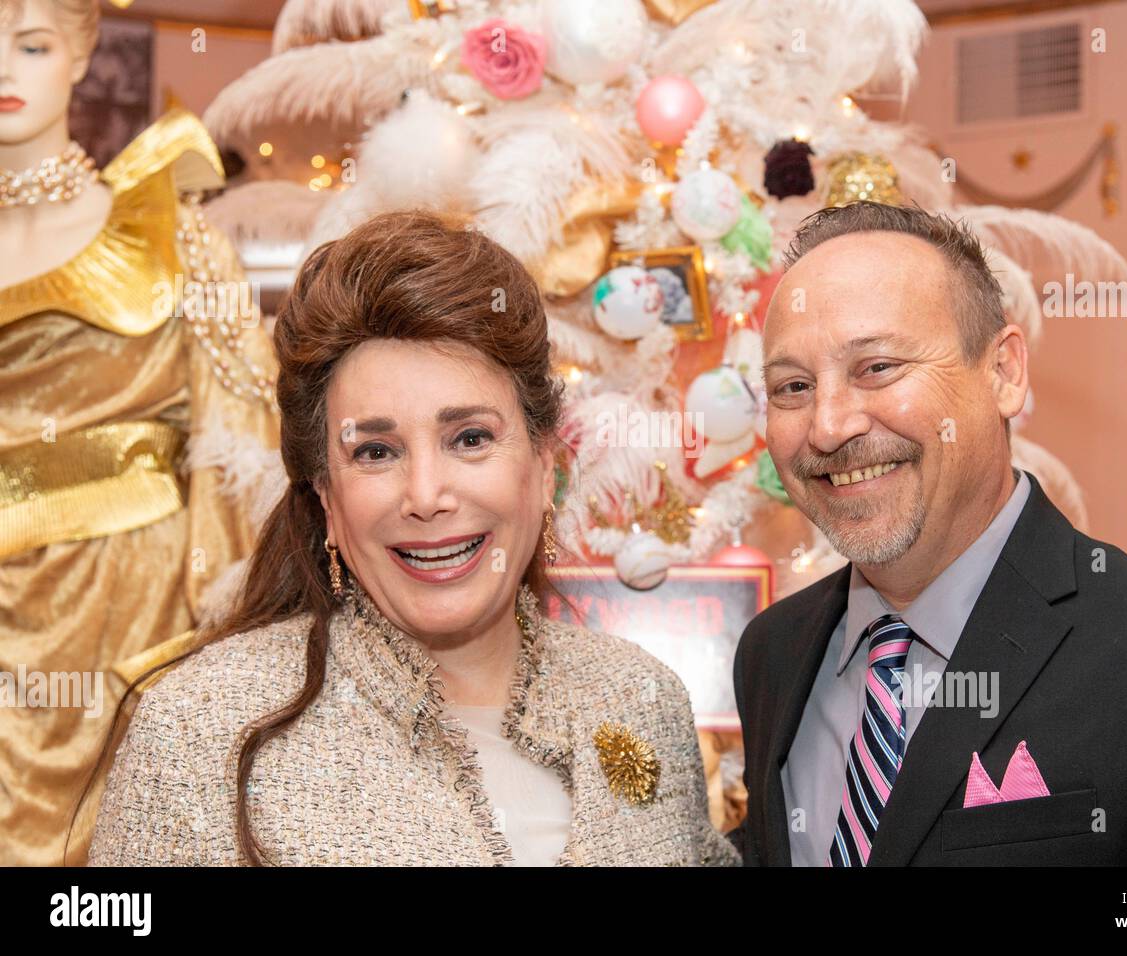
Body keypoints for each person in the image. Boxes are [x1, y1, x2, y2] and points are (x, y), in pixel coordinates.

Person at [87, 210, 738, 867]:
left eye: (471, 439)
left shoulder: (642, 698)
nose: (426, 495)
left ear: (545, 470)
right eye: (375, 451)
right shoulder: (200, 729)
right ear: (328, 501)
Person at [733, 200, 1127, 866]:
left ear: (1003, 372)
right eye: (793, 386)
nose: (827, 426)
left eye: (877, 367)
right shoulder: (773, 654)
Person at [0, 0, 278, 865]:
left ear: (83, 52)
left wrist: (232, 620)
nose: (4, 69)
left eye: (32, 44)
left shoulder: (173, 235)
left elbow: (241, 441)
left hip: (129, 599)